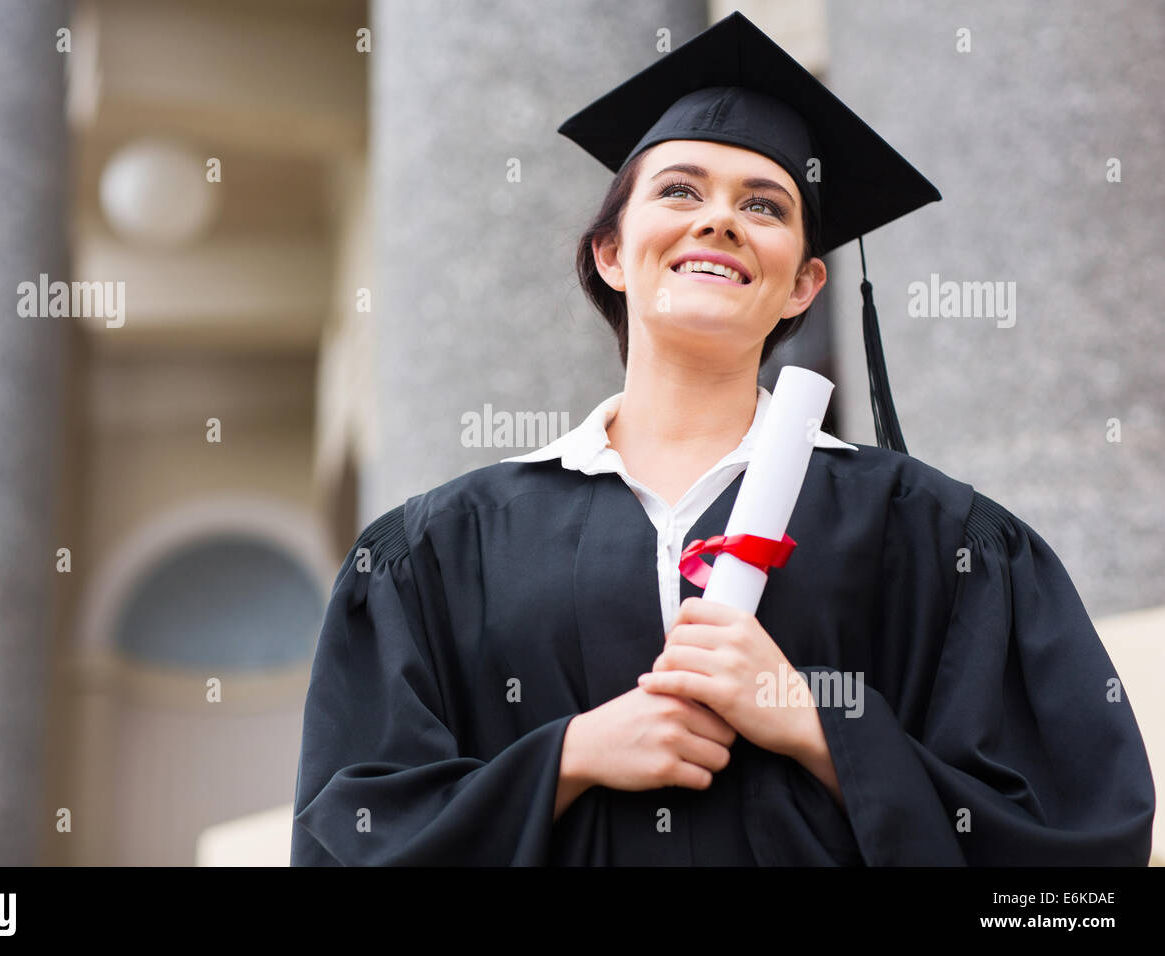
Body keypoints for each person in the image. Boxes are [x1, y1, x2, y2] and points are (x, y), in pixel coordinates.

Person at [290, 11, 1155, 866]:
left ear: (803, 285)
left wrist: (822, 727)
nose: (720, 220)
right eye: (678, 191)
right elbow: (355, 832)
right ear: (611, 255)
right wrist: (569, 759)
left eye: (764, 205)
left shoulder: (937, 537)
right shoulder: (441, 550)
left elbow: (1073, 872)